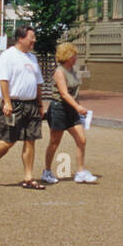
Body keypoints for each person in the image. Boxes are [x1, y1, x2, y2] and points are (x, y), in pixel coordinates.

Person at [0, 26, 46, 189]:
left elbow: (38, 83)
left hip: (31, 105)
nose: (34, 40)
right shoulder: (8, 56)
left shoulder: (32, 58)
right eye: (31, 37)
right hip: (14, 105)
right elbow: (3, 80)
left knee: (30, 140)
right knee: (9, 141)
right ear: (21, 38)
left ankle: (28, 177)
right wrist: (7, 102)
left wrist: (40, 104)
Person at [40, 42, 96, 185]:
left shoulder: (73, 71)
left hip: (72, 110)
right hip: (59, 109)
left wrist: (77, 107)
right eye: (74, 55)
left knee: (81, 139)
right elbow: (64, 94)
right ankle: (46, 171)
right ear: (67, 56)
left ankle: (81, 172)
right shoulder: (60, 71)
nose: (76, 57)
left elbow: (73, 92)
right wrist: (78, 107)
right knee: (54, 142)